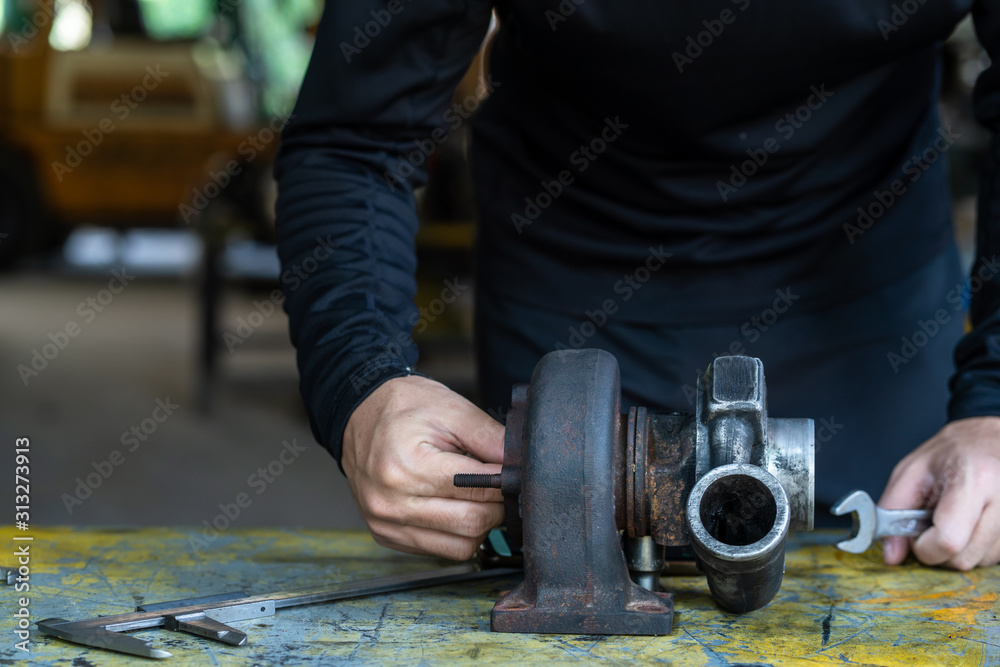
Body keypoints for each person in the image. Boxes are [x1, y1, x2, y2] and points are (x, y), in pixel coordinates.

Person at [274, 2, 1000, 570]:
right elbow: (355, 139)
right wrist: (364, 385)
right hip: (575, 299)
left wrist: (995, 403)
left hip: (868, 313)